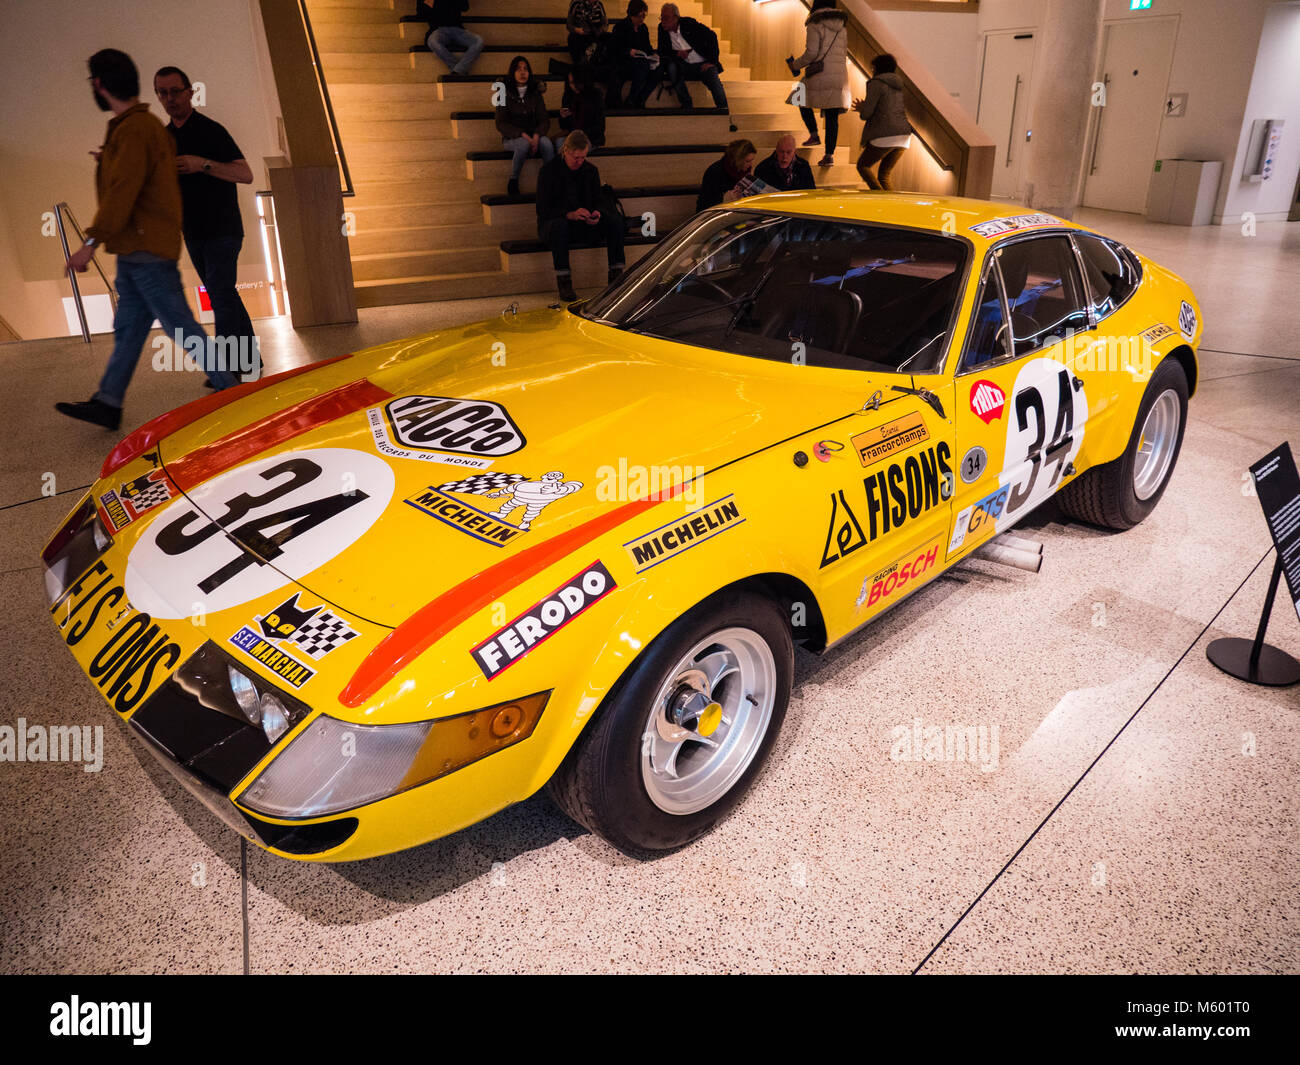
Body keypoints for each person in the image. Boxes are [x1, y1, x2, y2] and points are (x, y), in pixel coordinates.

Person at [57, 49, 238, 431]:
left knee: (180, 326)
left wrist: (90, 243)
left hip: (145, 249)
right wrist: (108, 160)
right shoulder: (135, 128)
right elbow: (137, 175)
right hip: (137, 249)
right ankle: (108, 401)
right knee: (131, 328)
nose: (169, 98)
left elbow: (126, 189)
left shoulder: (137, 128)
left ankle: (231, 388)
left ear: (100, 84)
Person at [154, 66, 257, 386]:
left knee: (221, 295)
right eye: (162, 93)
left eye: (175, 91)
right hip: (193, 231)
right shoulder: (164, 138)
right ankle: (250, 361)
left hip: (224, 228)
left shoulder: (212, 131)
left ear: (190, 92)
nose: (169, 99)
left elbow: (245, 174)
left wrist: (203, 164)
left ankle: (227, 370)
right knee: (222, 292)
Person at [536, 131, 625, 302]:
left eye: (583, 157)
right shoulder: (549, 171)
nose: (579, 162)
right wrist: (569, 214)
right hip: (557, 222)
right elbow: (543, 208)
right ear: (566, 151)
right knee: (559, 226)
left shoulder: (590, 170)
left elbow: (598, 200)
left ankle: (616, 276)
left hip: (582, 222)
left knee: (614, 221)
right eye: (576, 157)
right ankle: (564, 280)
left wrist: (597, 213)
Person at [786, 0, 848, 168]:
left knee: (799, 97)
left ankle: (814, 134)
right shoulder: (841, 25)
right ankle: (829, 155)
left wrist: (795, 65)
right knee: (832, 115)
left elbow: (812, 53)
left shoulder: (815, 22)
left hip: (821, 72)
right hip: (840, 75)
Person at [657, 3, 735, 130]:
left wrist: (712, 61)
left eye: (666, 18)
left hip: (702, 63)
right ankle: (686, 103)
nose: (663, 21)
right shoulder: (662, 29)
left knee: (713, 79)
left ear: (676, 17)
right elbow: (663, 50)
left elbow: (712, 36)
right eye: (661, 18)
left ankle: (723, 111)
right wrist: (677, 53)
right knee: (672, 68)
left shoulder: (689, 24)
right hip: (684, 65)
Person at [496, 56, 553, 197]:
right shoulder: (503, 93)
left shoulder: (535, 92)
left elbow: (544, 119)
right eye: (518, 69)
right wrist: (522, 134)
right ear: (512, 72)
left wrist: (536, 135)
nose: (522, 73)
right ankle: (513, 179)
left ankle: (551, 180)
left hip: (534, 135)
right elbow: (500, 123)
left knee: (547, 143)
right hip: (513, 138)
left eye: (525, 69)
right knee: (522, 145)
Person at [854, 53, 911, 190]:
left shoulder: (876, 83)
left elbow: (867, 113)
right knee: (884, 175)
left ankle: (878, 196)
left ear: (878, 68)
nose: (872, 71)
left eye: (873, 68)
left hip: (885, 135)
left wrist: (862, 108)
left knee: (863, 166)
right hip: (904, 135)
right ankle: (891, 207)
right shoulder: (897, 85)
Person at [607, 0, 656, 108]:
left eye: (644, 16)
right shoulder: (620, 27)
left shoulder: (643, 28)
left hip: (640, 60)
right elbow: (614, 49)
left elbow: (647, 47)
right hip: (624, 62)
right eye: (639, 16)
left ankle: (640, 98)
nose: (642, 19)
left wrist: (653, 55)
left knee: (658, 70)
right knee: (642, 65)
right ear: (631, 15)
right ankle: (632, 99)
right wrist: (628, 51)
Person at [416, 0, 484, 78]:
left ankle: (458, 70)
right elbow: (420, 14)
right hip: (439, 29)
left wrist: (436, 4)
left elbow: (465, 7)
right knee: (433, 42)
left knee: (479, 41)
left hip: (458, 29)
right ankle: (458, 69)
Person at [696, 138, 756, 211]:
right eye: (747, 161)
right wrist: (725, 198)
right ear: (737, 160)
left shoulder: (743, 171)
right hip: (717, 214)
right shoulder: (715, 171)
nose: (750, 165)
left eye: (752, 160)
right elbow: (705, 203)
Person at [555, 68, 606, 152]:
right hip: (572, 135)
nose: (574, 86)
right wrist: (563, 117)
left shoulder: (595, 96)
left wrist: (580, 135)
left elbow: (600, 126)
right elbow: (564, 126)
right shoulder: (568, 95)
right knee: (559, 143)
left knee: (573, 149)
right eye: (571, 83)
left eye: (576, 82)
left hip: (590, 137)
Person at [567, 0, 609, 68]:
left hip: (595, 34)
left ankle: (602, 65)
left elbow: (605, 23)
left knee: (608, 38)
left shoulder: (599, 5)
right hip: (579, 34)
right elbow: (569, 24)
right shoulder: (576, 4)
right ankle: (579, 65)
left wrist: (601, 30)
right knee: (572, 38)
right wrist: (577, 30)